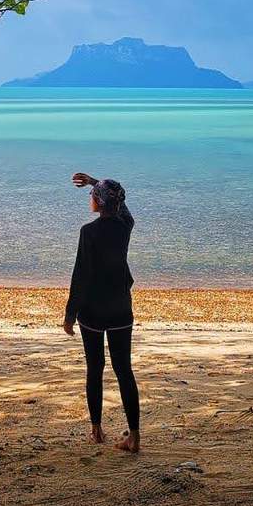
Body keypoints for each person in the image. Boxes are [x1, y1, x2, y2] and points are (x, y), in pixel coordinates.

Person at [63, 171, 141, 452]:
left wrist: (70, 314)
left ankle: (96, 431)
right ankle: (134, 436)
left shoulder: (89, 232)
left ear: (98, 202)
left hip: (93, 311)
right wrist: (97, 182)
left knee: (95, 369)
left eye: (92, 196)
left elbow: (80, 274)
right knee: (124, 371)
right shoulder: (124, 227)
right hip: (120, 307)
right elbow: (123, 205)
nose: (89, 199)